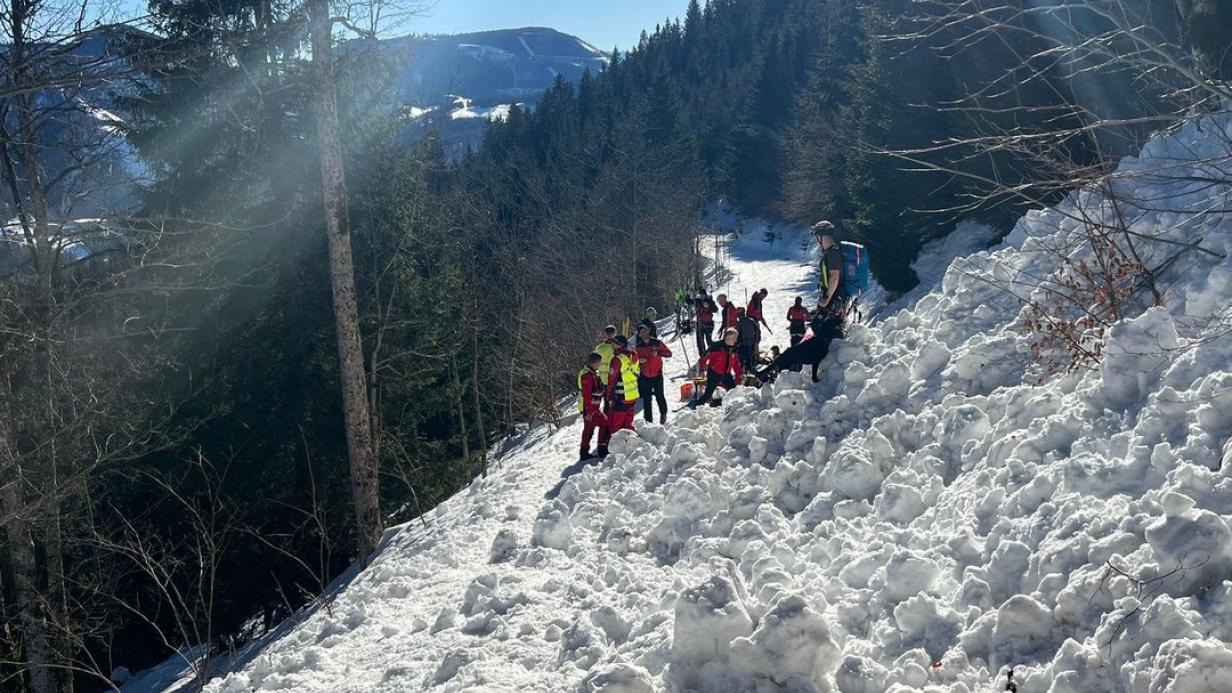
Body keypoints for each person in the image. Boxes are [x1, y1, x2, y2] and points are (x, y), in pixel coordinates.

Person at [756, 310, 843, 384]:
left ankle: (763, 375)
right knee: (783, 378)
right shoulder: (822, 344)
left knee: (778, 367)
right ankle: (764, 378)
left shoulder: (819, 339)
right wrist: (814, 377)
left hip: (793, 354)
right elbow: (816, 361)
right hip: (792, 357)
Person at [691, 328, 743, 407]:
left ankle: (720, 403)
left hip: (726, 373)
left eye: (735, 338)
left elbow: (736, 363)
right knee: (708, 394)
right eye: (731, 338)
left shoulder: (734, 349)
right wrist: (701, 370)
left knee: (733, 391)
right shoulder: (716, 346)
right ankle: (697, 406)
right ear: (726, 337)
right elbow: (703, 358)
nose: (733, 340)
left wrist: (739, 375)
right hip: (714, 372)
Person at [635, 324, 673, 423]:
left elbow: (669, 353)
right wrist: (639, 361)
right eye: (641, 332)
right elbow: (633, 361)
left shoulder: (657, 342)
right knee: (647, 399)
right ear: (639, 335)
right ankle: (648, 420)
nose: (644, 333)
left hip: (657, 374)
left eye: (645, 331)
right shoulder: (638, 347)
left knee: (659, 396)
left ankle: (663, 414)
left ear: (648, 331)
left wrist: (658, 353)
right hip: (644, 376)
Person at [605, 335, 641, 436]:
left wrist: (609, 396)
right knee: (628, 424)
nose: (612, 345)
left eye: (613, 343)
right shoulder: (634, 355)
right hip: (633, 395)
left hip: (621, 397)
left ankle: (615, 444)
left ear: (618, 345)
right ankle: (632, 442)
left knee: (615, 427)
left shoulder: (617, 359)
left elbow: (611, 380)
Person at [576, 352, 608, 460]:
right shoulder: (587, 375)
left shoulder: (593, 373)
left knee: (589, 429)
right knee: (603, 423)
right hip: (589, 408)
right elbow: (587, 395)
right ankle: (602, 449)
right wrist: (589, 412)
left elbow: (595, 389)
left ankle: (585, 452)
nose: (600, 365)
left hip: (593, 407)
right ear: (594, 363)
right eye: (599, 363)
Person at [813, 221, 847, 315]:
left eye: (817, 235)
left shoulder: (833, 253)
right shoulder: (830, 252)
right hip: (833, 300)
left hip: (833, 301)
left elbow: (835, 277)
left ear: (821, 236)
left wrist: (826, 300)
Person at [735, 305, 760, 373]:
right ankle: (752, 372)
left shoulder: (739, 323)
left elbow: (738, 335)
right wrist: (756, 342)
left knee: (742, 360)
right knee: (751, 360)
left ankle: (743, 373)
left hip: (743, 345)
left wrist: (736, 344)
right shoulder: (752, 321)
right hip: (751, 343)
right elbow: (757, 332)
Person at [694, 290, 717, 354]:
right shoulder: (698, 301)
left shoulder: (709, 301)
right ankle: (702, 354)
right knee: (700, 341)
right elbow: (689, 301)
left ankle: (713, 353)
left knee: (708, 340)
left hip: (708, 324)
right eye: (700, 295)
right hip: (700, 324)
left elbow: (715, 309)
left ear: (705, 295)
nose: (701, 296)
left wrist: (709, 306)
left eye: (703, 295)